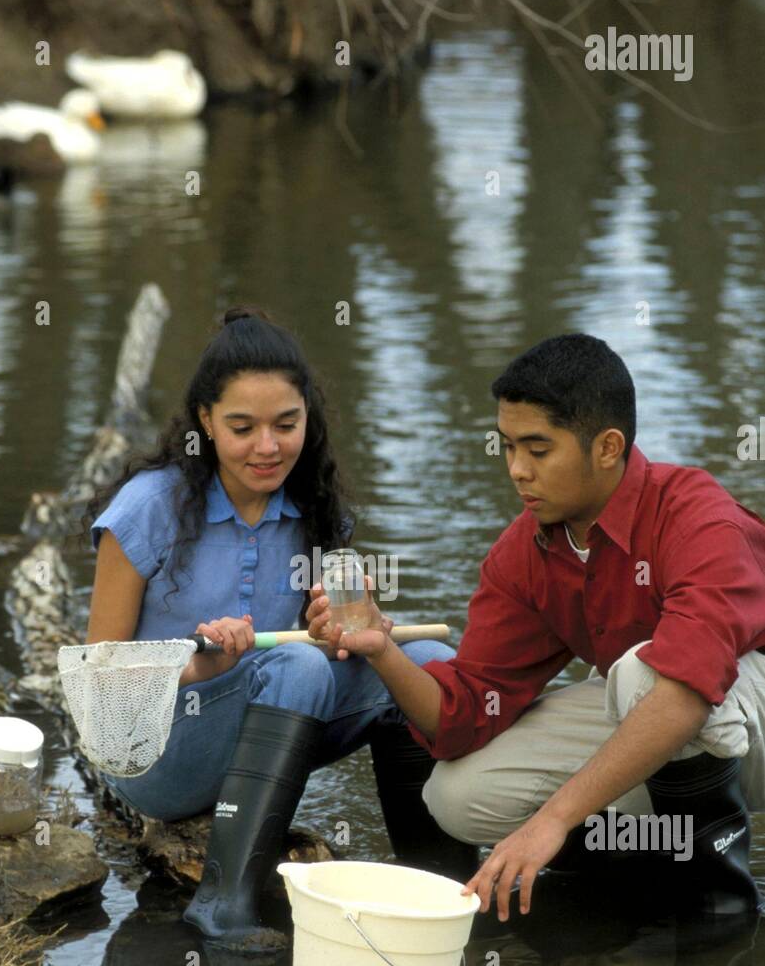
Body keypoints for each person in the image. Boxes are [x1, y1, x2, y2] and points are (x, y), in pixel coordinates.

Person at [307, 333, 765, 923]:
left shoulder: (696, 516)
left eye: (539, 449)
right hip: (662, 713)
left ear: (607, 447)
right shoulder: (524, 550)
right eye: (508, 447)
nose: (518, 470)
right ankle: (632, 867)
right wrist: (381, 647)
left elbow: (683, 687)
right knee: (457, 795)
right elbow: (465, 712)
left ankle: (719, 908)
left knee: (645, 673)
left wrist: (552, 820)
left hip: (741, 712)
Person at [82, 307, 456, 944]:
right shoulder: (148, 508)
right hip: (152, 752)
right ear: (204, 421)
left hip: (268, 721)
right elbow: (101, 688)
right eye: (242, 427)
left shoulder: (315, 509)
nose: (268, 446)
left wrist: (353, 629)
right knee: (299, 666)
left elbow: (323, 649)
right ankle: (224, 904)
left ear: (308, 416)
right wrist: (206, 666)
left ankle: (441, 884)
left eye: (287, 424)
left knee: (425, 665)